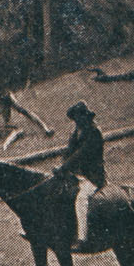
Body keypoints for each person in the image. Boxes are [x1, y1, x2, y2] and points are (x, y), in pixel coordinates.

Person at [54, 101, 105, 252]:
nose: (76, 121)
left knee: (82, 199)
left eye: (79, 118)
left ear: (85, 116)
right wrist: (61, 167)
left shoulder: (94, 132)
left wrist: (64, 167)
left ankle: (82, 238)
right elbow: (69, 151)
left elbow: (81, 154)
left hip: (93, 176)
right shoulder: (77, 131)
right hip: (77, 175)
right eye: (75, 119)